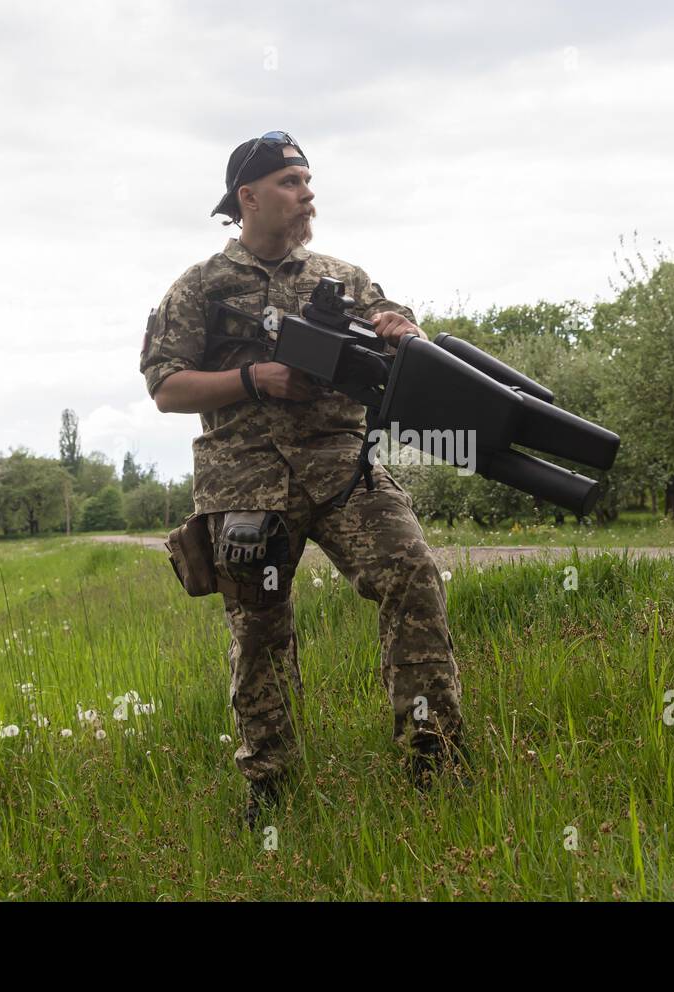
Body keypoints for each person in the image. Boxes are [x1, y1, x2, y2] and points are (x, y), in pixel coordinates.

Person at [139, 131, 468, 829]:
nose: (307, 193)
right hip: (247, 484)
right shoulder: (198, 287)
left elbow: (399, 336)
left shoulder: (344, 277)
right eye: (290, 182)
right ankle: (270, 786)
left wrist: (398, 326)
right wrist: (255, 379)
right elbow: (167, 387)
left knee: (414, 579)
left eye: (309, 181)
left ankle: (433, 759)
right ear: (247, 198)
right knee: (260, 630)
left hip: (346, 471)